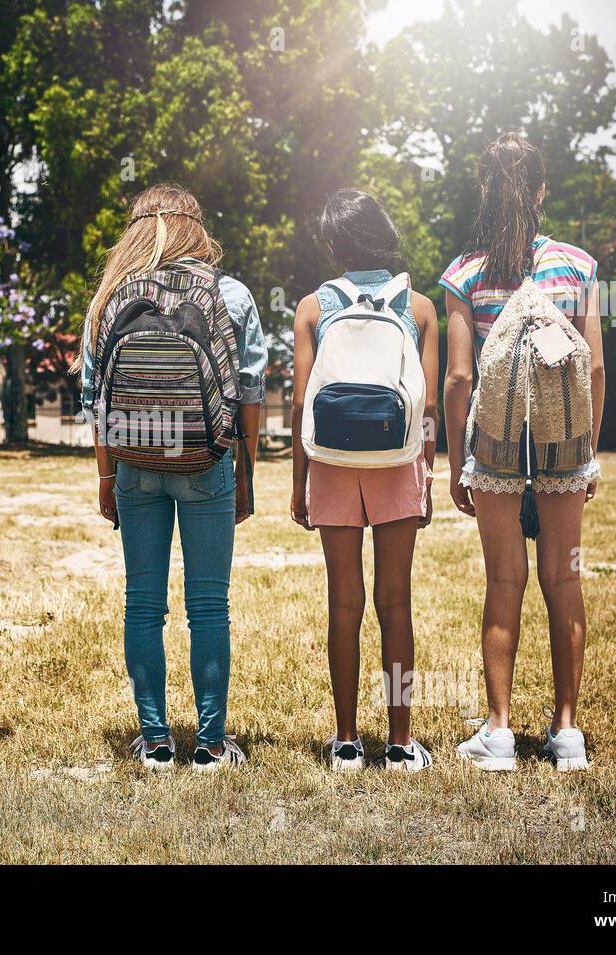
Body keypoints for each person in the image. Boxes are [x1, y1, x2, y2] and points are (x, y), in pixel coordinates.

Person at [80, 182, 266, 773]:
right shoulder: (229, 293)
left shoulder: (111, 297)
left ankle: (155, 740)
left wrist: (107, 477)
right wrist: (246, 470)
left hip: (137, 461)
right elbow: (252, 393)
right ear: (196, 226)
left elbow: (94, 400)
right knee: (209, 606)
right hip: (208, 459)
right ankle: (211, 744)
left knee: (143, 605)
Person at [441, 132, 605, 772]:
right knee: (562, 577)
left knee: (503, 580)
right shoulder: (576, 266)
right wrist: (585, 450)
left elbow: (459, 379)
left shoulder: (466, 274)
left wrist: (461, 463)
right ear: (541, 190)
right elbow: (590, 365)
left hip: (500, 444)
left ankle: (500, 732)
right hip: (563, 440)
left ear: (484, 190)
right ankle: (567, 734)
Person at [290, 189, 440, 773]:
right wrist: (422, 475)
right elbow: (424, 406)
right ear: (385, 232)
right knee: (395, 601)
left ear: (334, 246)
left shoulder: (311, 307)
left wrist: (300, 482)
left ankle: (347, 742)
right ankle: (401, 743)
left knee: (343, 601)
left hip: (329, 461)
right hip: (397, 460)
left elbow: (304, 398)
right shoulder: (419, 307)